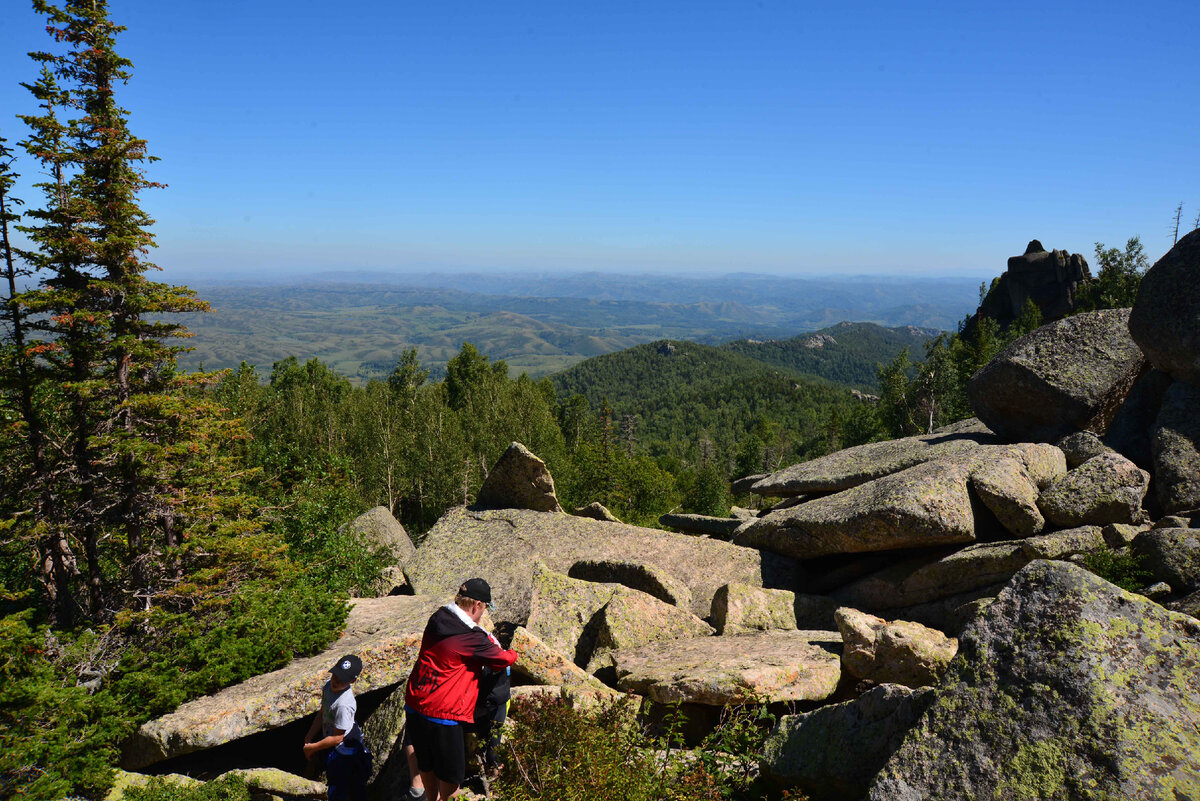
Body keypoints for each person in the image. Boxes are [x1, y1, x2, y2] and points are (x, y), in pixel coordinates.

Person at [405, 578, 519, 801]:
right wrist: (515, 652)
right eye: (485, 608)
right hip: (443, 714)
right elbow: (502, 659)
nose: (483, 614)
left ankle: (430, 798)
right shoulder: (472, 637)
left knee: (425, 763)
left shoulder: (438, 617)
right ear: (477, 605)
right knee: (451, 776)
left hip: (415, 702)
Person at [303, 654, 362, 778]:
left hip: (343, 743)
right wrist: (308, 738)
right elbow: (322, 713)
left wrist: (313, 748)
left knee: (339, 776)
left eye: (342, 679)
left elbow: (338, 738)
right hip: (329, 729)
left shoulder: (343, 705)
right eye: (336, 675)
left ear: (352, 681)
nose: (336, 680)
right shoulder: (328, 686)